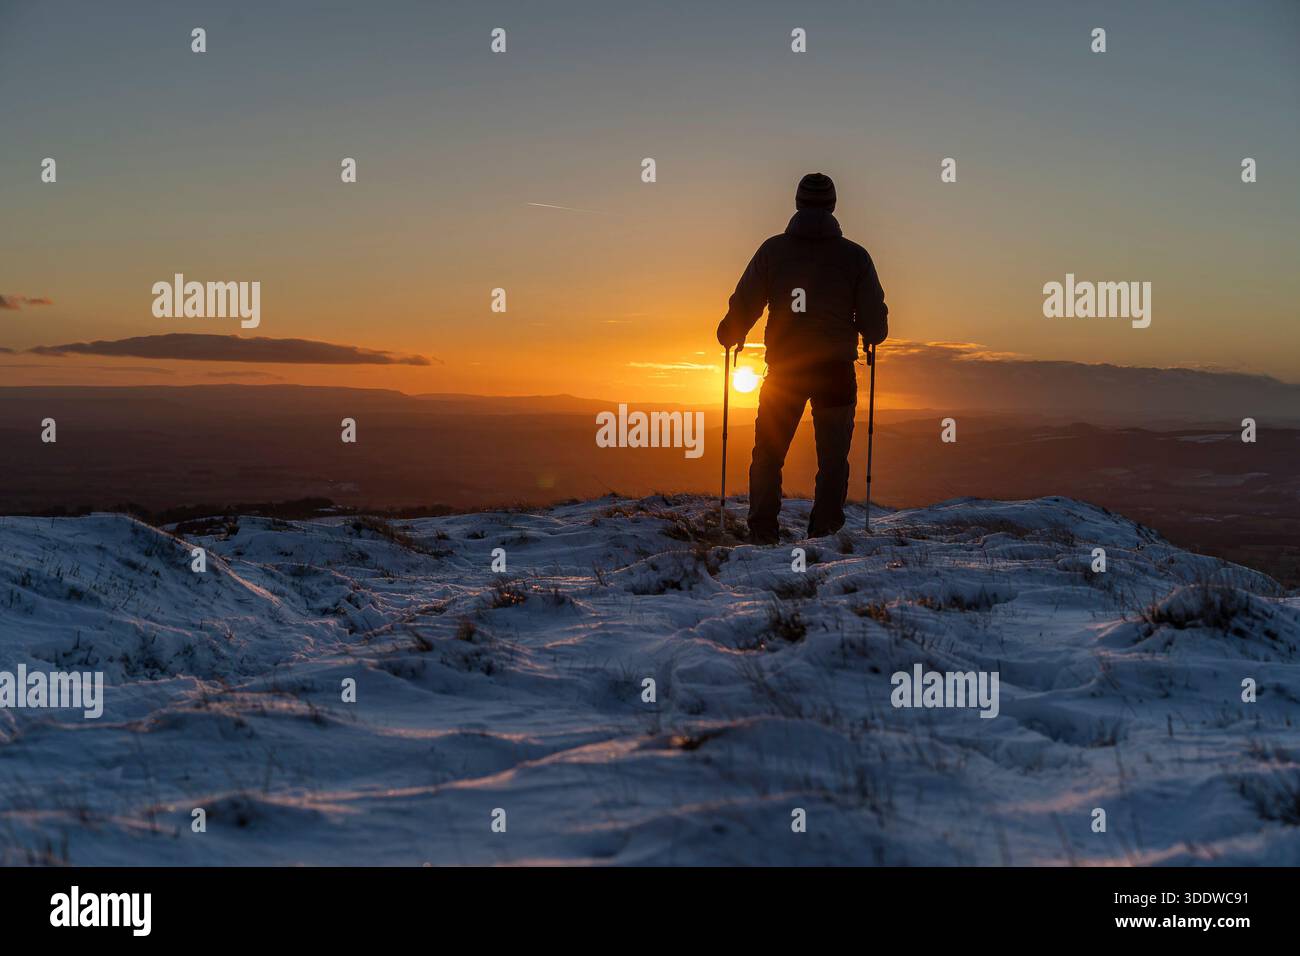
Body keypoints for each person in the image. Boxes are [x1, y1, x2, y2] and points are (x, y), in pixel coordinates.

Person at [716, 172, 889, 544]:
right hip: (834, 372)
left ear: (797, 204)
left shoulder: (773, 251)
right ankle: (824, 533)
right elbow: (876, 327)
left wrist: (730, 333)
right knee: (832, 459)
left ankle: (763, 531)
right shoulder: (855, 257)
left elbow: (746, 301)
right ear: (833, 206)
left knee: (769, 453)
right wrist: (863, 330)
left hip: (786, 370)